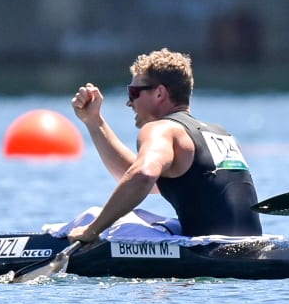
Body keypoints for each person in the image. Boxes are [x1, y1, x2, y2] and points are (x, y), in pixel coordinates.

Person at [67, 47, 262, 243]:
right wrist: (94, 121)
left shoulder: (161, 129)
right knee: (144, 217)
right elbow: (139, 177)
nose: (129, 102)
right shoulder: (219, 132)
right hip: (251, 247)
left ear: (159, 93)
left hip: (209, 252)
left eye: (134, 92)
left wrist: (91, 231)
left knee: (92, 215)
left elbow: (142, 176)